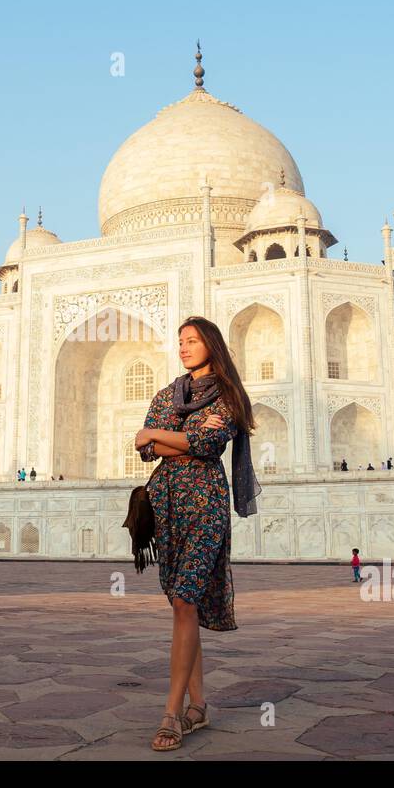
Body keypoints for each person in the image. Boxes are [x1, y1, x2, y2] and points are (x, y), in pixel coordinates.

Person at [134, 316, 259, 752]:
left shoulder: (228, 395)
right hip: (167, 502)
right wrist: (166, 437)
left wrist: (159, 433)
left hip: (205, 502)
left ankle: (171, 712)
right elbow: (144, 447)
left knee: (187, 599)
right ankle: (199, 705)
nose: (184, 348)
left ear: (212, 344)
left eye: (192, 341)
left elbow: (208, 445)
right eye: (180, 341)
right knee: (181, 607)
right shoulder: (168, 393)